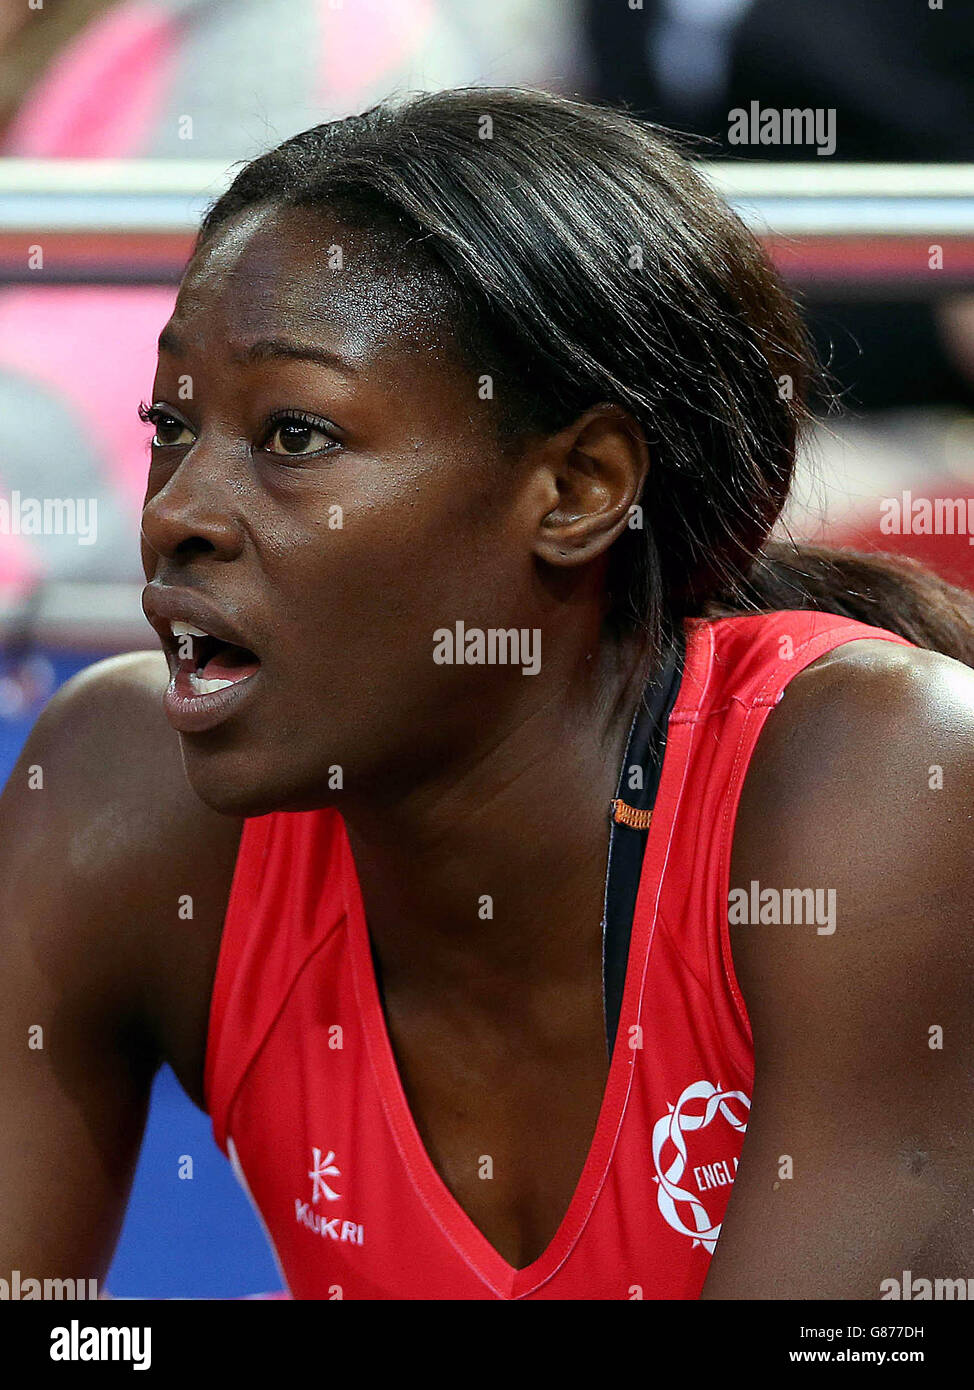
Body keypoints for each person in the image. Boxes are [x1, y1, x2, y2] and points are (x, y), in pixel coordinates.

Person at [1, 87, 972, 1301]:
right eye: (170, 425)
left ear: (574, 489)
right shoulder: (120, 797)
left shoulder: (883, 785)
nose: (176, 514)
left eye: (294, 435)